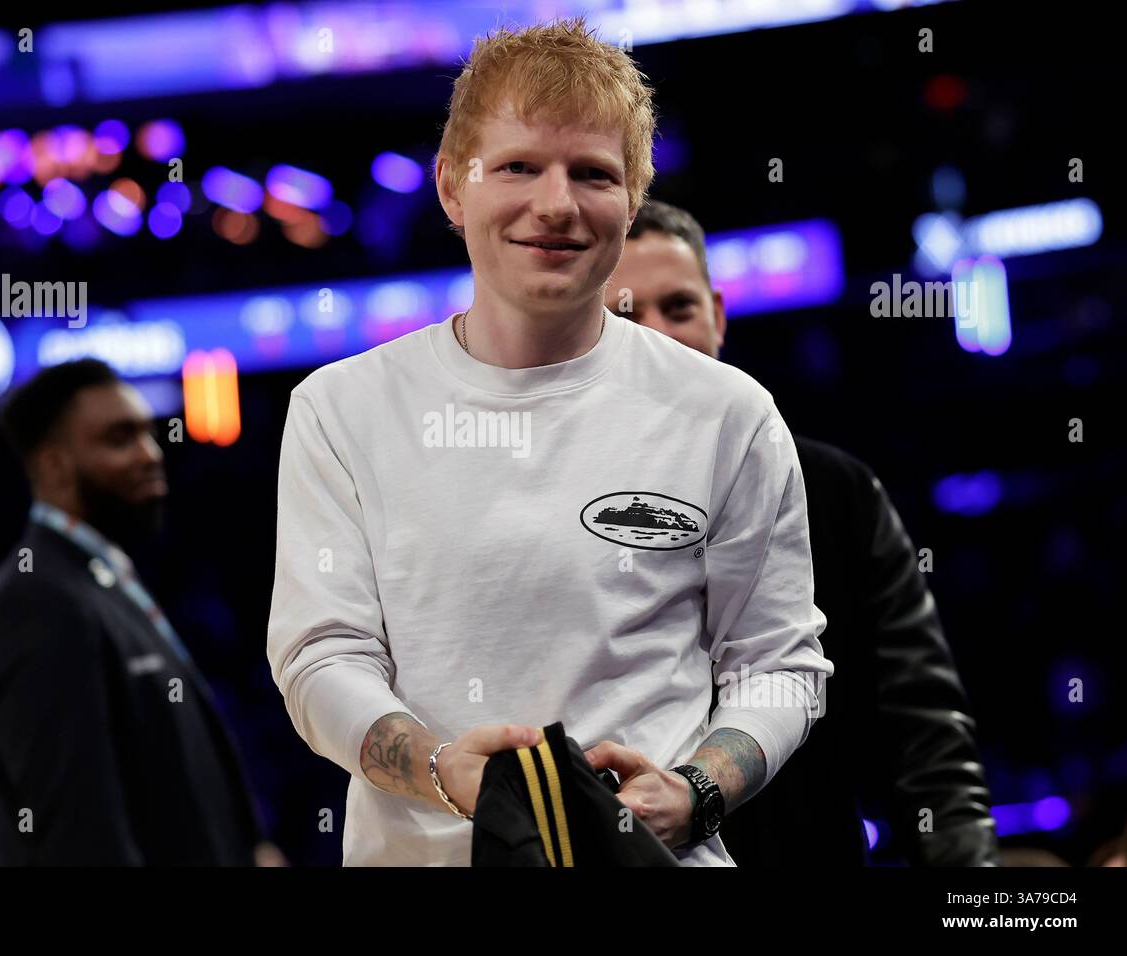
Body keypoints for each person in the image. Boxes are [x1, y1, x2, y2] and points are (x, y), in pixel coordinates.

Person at [266, 17, 832, 866]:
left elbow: (782, 665)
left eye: (593, 173)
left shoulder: (728, 413)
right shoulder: (342, 410)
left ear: (632, 198)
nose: (556, 204)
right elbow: (320, 658)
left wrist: (697, 788)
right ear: (454, 188)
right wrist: (437, 767)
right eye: (520, 166)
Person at [606, 199, 1000, 866]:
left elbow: (924, 737)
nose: (659, 335)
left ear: (718, 316)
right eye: (625, 314)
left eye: (678, 308)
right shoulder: (540, 509)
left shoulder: (835, 490)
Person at [0, 358, 284, 866]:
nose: (150, 454)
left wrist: (252, 846)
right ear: (53, 464)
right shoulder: (36, 602)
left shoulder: (99, 578)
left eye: (148, 434)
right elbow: (79, 839)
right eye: (120, 439)